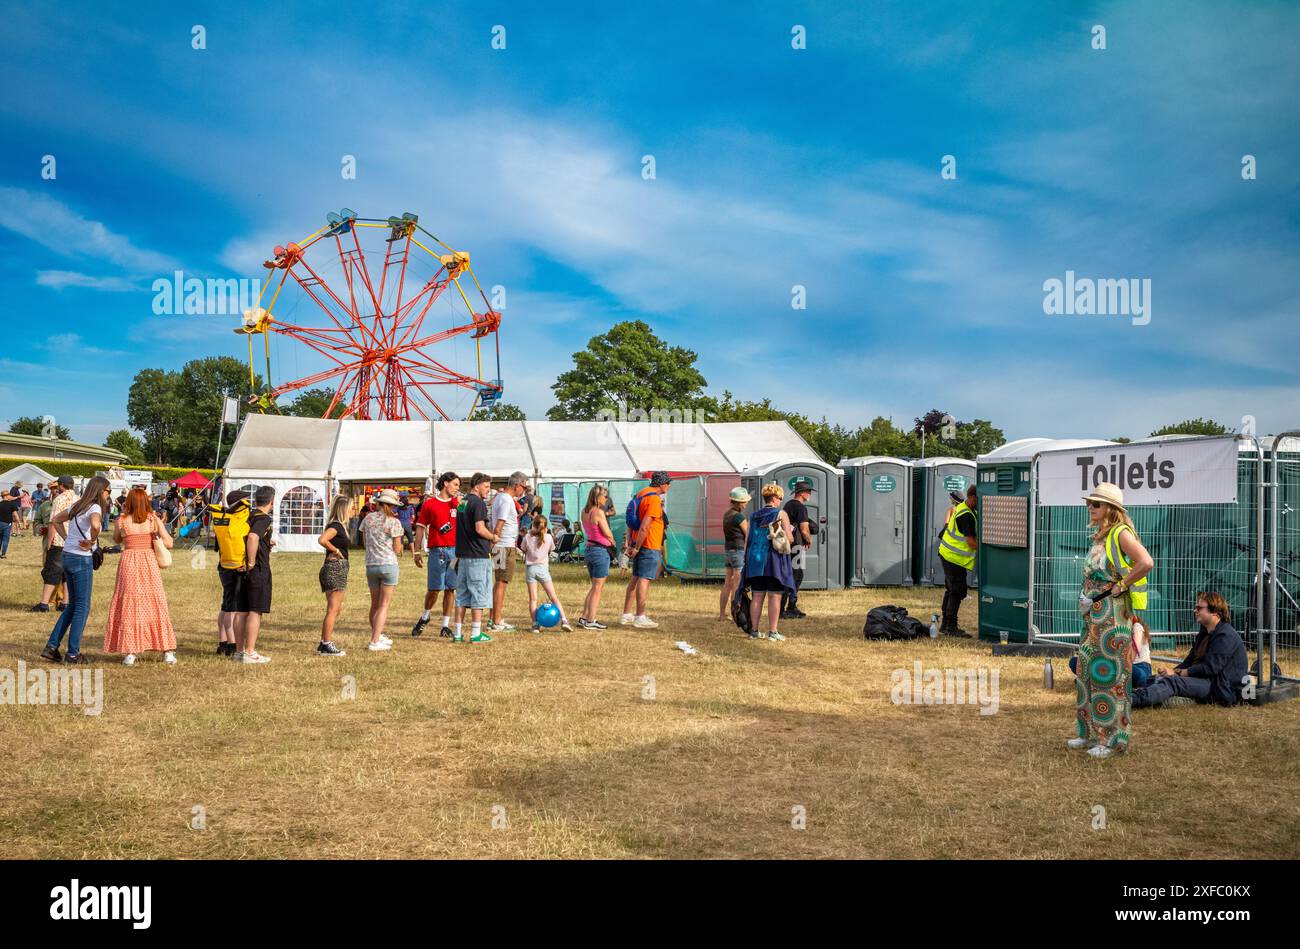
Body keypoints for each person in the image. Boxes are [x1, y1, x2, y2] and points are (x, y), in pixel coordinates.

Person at [1069, 482, 1153, 758]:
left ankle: (1111, 740)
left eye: (1096, 504)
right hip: (1093, 612)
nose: (1090, 508)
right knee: (1085, 668)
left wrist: (1123, 584)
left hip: (1112, 613)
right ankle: (1089, 733)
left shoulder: (1120, 533)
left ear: (1111, 509)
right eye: (1089, 503)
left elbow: (1146, 562)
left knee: (1109, 673)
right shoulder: (1099, 536)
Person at [1133, 592, 1249, 708]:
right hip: (1205, 680)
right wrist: (1172, 671)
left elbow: (1210, 668)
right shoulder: (1205, 632)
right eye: (1195, 607)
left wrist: (1179, 673)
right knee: (1156, 678)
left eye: (1199, 608)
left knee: (1172, 682)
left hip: (1220, 687)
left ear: (1215, 612)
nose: (1195, 610)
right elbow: (1189, 661)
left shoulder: (1225, 635)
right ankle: (1131, 694)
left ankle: (1133, 701)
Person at [41, 475, 111, 664]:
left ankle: (52, 646)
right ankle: (72, 653)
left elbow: (56, 519)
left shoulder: (78, 505)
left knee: (71, 605)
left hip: (67, 555)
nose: (109, 495)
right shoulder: (95, 507)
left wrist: (66, 538)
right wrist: (92, 541)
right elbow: (96, 524)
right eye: (108, 491)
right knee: (82, 606)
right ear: (99, 491)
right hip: (81, 558)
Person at [104, 486, 176, 665]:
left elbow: (116, 539)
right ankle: (167, 651)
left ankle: (131, 651)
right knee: (155, 602)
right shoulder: (153, 519)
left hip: (129, 562)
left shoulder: (121, 521)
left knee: (130, 604)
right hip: (148, 562)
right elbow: (169, 542)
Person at [740, 483, 796, 641]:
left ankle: (755, 631)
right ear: (776, 498)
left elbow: (747, 540)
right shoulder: (780, 513)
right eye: (780, 498)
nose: (780, 501)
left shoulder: (753, 516)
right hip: (773, 560)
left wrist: (746, 560)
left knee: (757, 596)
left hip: (755, 560)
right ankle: (773, 632)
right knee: (775, 596)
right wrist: (791, 532)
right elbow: (789, 539)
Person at [412, 472, 460, 638]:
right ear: (446, 484)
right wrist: (416, 550)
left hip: (455, 552)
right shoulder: (430, 504)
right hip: (437, 551)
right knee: (434, 589)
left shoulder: (457, 503)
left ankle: (445, 625)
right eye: (455, 484)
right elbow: (420, 527)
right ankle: (425, 615)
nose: (457, 488)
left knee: (451, 588)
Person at [621, 471, 671, 629]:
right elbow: (644, 526)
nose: (669, 486)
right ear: (662, 484)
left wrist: (630, 542)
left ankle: (626, 614)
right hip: (648, 544)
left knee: (635, 578)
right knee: (644, 579)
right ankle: (640, 616)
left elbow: (630, 520)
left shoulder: (640, 494)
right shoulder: (654, 499)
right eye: (668, 483)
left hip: (638, 542)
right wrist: (636, 548)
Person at [453, 472, 497, 643]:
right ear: (477, 486)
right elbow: (480, 528)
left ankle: (457, 633)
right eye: (486, 487)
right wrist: (492, 537)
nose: (488, 490)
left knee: (462, 595)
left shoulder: (462, 502)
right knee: (479, 593)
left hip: (462, 555)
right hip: (477, 555)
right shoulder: (478, 503)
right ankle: (476, 633)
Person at [360, 488, 404, 652]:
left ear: (378, 503)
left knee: (374, 605)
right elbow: (398, 548)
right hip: (388, 564)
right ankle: (374, 641)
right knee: (384, 605)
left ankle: (377, 635)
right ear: (392, 505)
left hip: (371, 564)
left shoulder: (368, 519)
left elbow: (364, 543)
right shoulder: (394, 521)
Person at [210, 490, 252, 657]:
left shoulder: (222, 519)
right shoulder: (240, 520)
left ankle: (222, 643)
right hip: (237, 566)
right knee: (232, 609)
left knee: (226, 604)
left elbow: (216, 546)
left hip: (223, 565)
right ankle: (232, 644)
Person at [237, 486, 276, 664]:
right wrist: (252, 562)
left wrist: (267, 541)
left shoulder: (248, 515)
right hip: (257, 568)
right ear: (271, 501)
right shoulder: (264, 518)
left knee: (242, 610)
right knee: (255, 611)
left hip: (240, 567)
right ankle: (250, 652)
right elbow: (253, 537)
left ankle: (239, 651)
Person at [489, 471, 530, 632]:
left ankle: (494, 618)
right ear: (516, 485)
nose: (524, 491)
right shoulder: (506, 499)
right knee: (502, 582)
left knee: (499, 581)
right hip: (505, 545)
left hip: (501, 545)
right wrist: (495, 538)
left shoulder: (500, 497)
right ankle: (497, 621)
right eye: (524, 487)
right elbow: (500, 522)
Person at [937, 484, 979, 637]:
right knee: (957, 591)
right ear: (973, 497)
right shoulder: (966, 515)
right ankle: (951, 627)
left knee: (951, 590)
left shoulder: (963, 508)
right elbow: (971, 543)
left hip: (949, 555)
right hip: (953, 557)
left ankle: (945, 625)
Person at [520, 516, 574, 632]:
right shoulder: (548, 537)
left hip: (531, 569)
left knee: (533, 599)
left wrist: (528, 533)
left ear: (533, 524)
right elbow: (552, 549)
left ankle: (535, 624)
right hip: (543, 569)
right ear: (546, 526)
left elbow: (523, 548)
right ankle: (564, 620)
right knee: (553, 597)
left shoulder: (527, 537)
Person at [314, 494, 351, 657]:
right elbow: (322, 539)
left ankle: (325, 642)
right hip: (335, 568)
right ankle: (326, 643)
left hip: (337, 568)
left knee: (336, 609)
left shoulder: (339, 525)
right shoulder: (336, 526)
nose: (353, 510)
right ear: (344, 509)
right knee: (333, 609)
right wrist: (336, 551)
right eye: (350, 508)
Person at [1072, 616, 1153, 689]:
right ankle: (1104, 680)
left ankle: (1097, 679)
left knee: (1138, 675)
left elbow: (1132, 655)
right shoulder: (1109, 628)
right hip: (1115, 667)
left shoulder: (1136, 626)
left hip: (1138, 667)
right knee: (1074, 662)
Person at [30, 476, 73, 613]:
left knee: (51, 573)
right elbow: (37, 523)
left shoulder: (59, 500)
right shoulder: (78, 499)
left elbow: (53, 522)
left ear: (61, 486)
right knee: (67, 574)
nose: (54, 490)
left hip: (58, 542)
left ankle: (44, 604)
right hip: (72, 542)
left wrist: (49, 543)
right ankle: (64, 604)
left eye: (56, 487)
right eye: (52, 488)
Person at [578, 485, 616, 629]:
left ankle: (584, 617)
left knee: (594, 587)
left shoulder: (584, 511)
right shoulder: (599, 512)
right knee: (598, 588)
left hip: (589, 549)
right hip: (600, 551)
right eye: (605, 496)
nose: (606, 499)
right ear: (597, 498)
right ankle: (591, 620)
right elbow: (607, 533)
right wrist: (612, 541)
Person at [779, 480, 814, 619]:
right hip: (797, 546)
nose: (810, 494)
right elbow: (804, 529)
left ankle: (785, 607)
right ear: (802, 493)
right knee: (797, 576)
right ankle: (790, 607)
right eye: (809, 492)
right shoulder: (800, 507)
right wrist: (809, 540)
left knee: (789, 575)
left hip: (787, 545)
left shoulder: (788, 505)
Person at [719, 487, 751, 621]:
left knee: (728, 583)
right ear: (738, 502)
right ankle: (736, 615)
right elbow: (748, 534)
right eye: (744, 501)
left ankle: (722, 614)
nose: (746, 504)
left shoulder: (727, 514)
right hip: (738, 551)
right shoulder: (739, 517)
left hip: (728, 551)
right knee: (737, 585)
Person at [0, 485, 21, 558]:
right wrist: (19, 523)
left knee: (0, 539)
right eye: (9, 494)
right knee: (5, 539)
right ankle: (3, 554)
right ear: (6, 496)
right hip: (7, 524)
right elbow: (15, 515)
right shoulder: (12, 504)